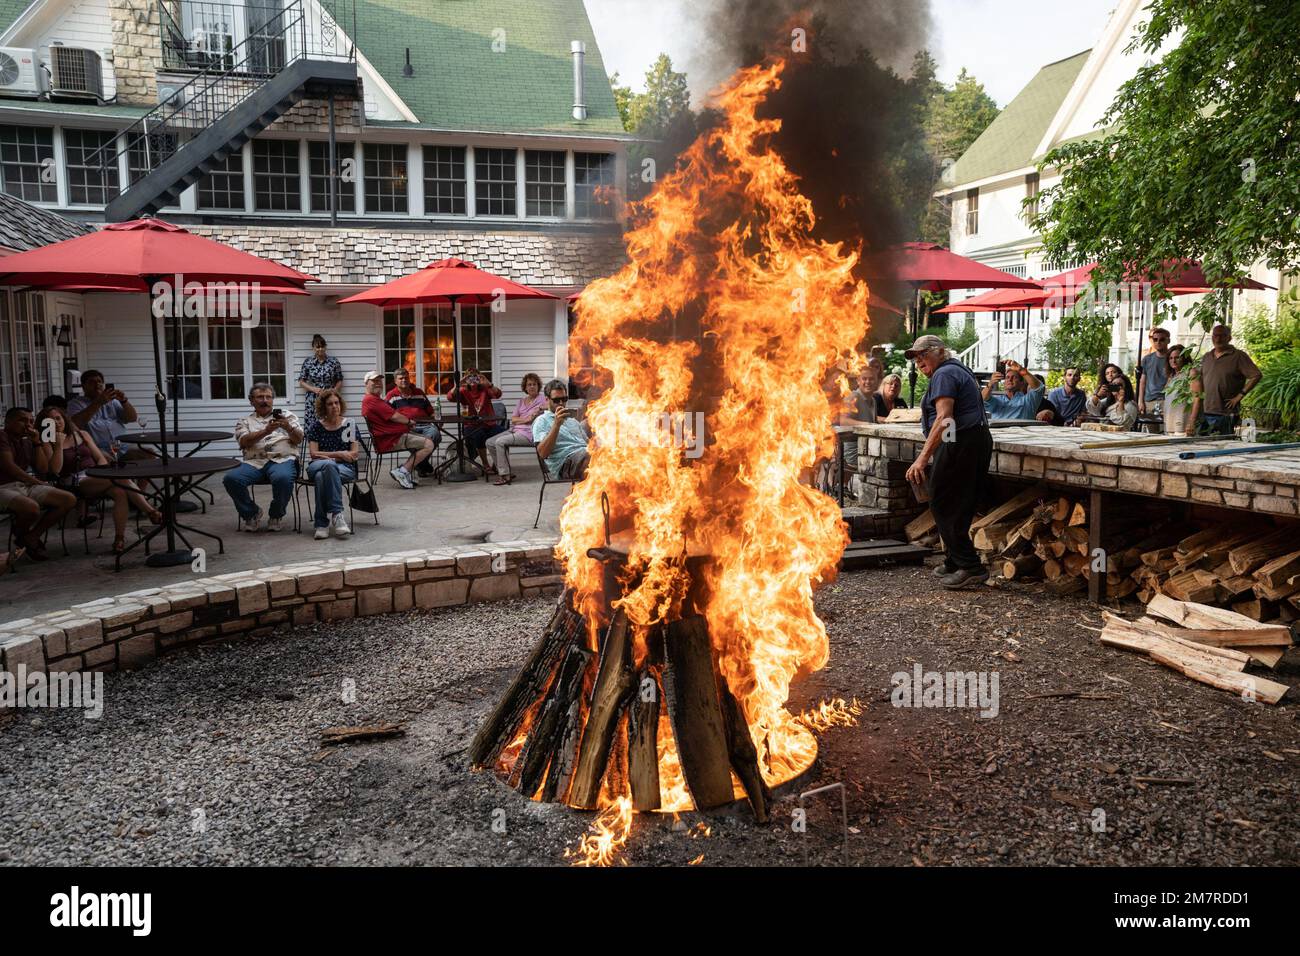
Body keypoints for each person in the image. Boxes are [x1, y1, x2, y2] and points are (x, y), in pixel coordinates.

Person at [902, 335, 991, 589]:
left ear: (940, 351)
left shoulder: (944, 374)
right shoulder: (956, 370)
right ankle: (954, 561)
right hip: (971, 441)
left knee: (942, 502)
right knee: (959, 502)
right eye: (915, 358)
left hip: (959, 442)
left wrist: (922, 458)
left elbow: (944, 419)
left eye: (923, 354)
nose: (918, 361)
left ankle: (971, 567)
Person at [33, 406, 161, 554]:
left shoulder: (81, 434)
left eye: (58, 418)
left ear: (64, 419)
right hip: (71, 482)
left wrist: (102, 471)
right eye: (51, 420)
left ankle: (119, 539)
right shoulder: (47, 442)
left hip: (95, 475)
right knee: (122, 479)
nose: (56, 422)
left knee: (119, 491)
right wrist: (59, 445)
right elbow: (55, 471)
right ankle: (150, 511)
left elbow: (99, 457)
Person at [0, 406, 76, 561]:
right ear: (7, 422)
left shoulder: (27, 441)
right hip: (3, 486)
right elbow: (10, 467)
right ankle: (22, 536)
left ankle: (31, 537)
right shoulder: (2, 436)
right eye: (22, 420)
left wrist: (36, 443)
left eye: (31, 421)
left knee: (68, 499)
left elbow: (43, 468)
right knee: (31, 508)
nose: (28, 425)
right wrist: (37, 482)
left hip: (23, 485)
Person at [223, 383, 302, 532]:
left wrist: (288, 428)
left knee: (283, 478)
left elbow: (299, 439)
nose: (264, 400)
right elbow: (244, 441)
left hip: (282, 459)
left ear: (273, 400)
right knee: (231, 479)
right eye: (260, 397)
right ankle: (251, 513)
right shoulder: (244, 421)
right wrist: (265, 431)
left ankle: (276, 515)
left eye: (268, 397)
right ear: (251, 401)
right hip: (254, 462)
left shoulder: (287, 416)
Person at [361, 370, 434, 490]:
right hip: (390, 439)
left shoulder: (374, 400)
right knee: (429, 444)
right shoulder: (371, 400)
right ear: (366, 383)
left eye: (379, 381)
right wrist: (409, 422)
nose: (378, 383)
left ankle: (409, 471)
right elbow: (395, 416)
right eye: (374, 381)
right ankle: (403, 470)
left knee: (427, 436)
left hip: (392, 436)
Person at [305, 389, 359, 540]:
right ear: (323, 407)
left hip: (345, 468)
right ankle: (337, 515)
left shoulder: (349, 424)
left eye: (336, 403)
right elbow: (314, 454)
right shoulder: (316, 426)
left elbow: (354, 453)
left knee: (323, 475)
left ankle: (321, 524)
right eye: (330, 404)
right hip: (317, 464)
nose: (334, 406)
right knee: (328, 466)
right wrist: (339, 454)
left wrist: (328, 456)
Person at [1199, 324, 1261, 435]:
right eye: (1215, 335)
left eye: (1222, 336)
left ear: (1229, 338)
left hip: (1226, 414)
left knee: (1223, 448)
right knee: (1203, 447)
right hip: (1205, 412)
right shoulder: (1207, 357)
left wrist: (1240, 396)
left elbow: (1256, 375)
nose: (1218, 339)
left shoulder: (1238, 356)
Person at [486, 373, 548, 485]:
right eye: (529, 384)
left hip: (529, 433)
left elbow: (552, 406)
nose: (532, 387)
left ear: (538, 386)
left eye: (534, 384)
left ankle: (505, 475)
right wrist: (526, 419)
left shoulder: (543, 399)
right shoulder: (521, 401)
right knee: (489, 442)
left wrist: (541, 408)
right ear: (525, 387)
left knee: (500, 442)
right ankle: (505, 469)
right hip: (515, 430)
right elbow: (514, 419)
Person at [67, 370, 140, 461]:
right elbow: (76, 424)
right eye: (92, 382)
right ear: (83, 386)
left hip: (122, 445)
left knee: (146, 453)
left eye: (99, 381)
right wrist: (98, 403)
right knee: (108, 462)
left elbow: (132, 418)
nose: (97, 384)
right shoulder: (76, 404)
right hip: (98, 449)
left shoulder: (113, 401)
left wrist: (124, 401)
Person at [446, 368, 506, 477]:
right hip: (471, 425)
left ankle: (497, 464)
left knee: (505, 435)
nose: (473, 379)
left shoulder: (484, 389)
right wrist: (458, 384)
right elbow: (450, 397)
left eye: (475, 376)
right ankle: (485, 464)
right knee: (479, 435)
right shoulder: (463, 390)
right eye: (470, 377)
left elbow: (498, 394)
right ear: (466, 378)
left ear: (480, 377)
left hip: (489, 424)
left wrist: (489, 383)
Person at [386, 367, 441, 476]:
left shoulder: (419, 392)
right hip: (406, 428)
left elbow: (430, 411)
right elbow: (388, 416)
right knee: (419, 442)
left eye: (406, 378)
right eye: (401, 378)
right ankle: (422, 465)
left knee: (435, 434)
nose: (404, 380)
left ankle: (419, 464)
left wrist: (437, 418)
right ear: (395, 381)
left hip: (425, 425)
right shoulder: (391, 396)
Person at [533, 379, 591, 480]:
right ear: (547, 400)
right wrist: (556, 425)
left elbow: (589, 444)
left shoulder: (573, 421)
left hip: (584, 455)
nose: (561, 403)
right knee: (592, 457)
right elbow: (543, 453)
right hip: (565, 463)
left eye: (564, 399)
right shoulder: (541, 421)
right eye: (556, 400)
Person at [298, 335, 344, 432]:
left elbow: (339, 380)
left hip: (330, 398)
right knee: (314, 425)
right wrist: (314, 389)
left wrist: (334, 391)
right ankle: (313, 446)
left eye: (322, 346)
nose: (320, 349)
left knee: (331, 421)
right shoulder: (308, 362)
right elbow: (301, 381)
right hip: (313, 399)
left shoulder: (333, 362)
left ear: (325, 347)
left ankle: (330, 445)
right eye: (317, 347)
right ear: (313, 348)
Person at [1163, 344, 1202, 436]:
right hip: (1169, 425)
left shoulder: (1191, 372)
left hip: (1184, 425)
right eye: (1170, 358)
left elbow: (1197, 398)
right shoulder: (1171, 376)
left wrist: (1192, 421)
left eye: (1177, 357)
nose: (1173, 360)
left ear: (1184, 358)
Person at [1138, 327, 1171, 418]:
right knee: (1151, 431)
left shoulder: (1172, 358)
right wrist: (1141, 401)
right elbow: (1142, 382)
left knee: (1166, 431)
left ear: (1168, 340)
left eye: (1162, 339)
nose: (1158, 342)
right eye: (1155, 339)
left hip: (1166, 400)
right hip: (1149, 401)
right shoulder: (1147, 359)